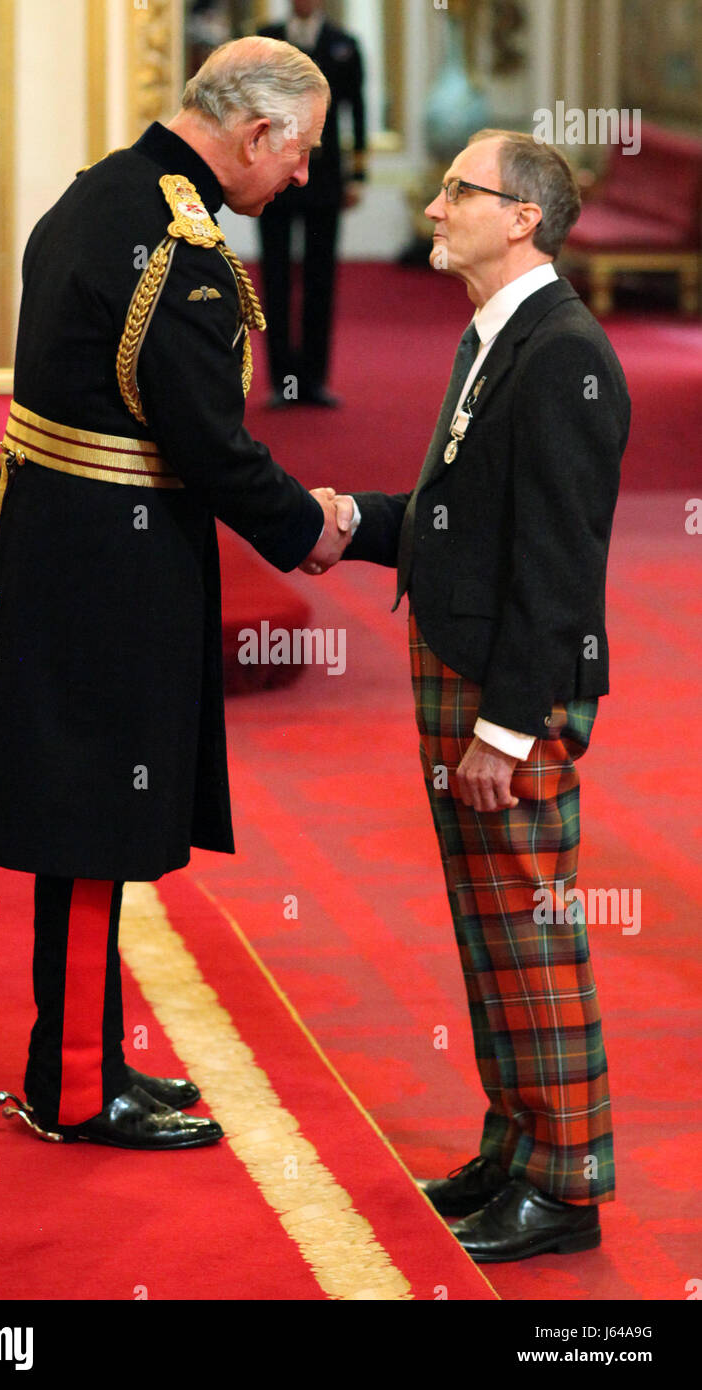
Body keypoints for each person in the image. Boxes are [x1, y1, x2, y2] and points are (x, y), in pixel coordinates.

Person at [0, 37, 354, 1151]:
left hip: (59, 545)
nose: (303, 177)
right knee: (93, 822)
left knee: (91, 816)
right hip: (109, 572)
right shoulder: (185, 249)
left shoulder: (101, 191)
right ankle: (74, 1085)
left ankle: (86, 1050)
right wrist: (309, 529)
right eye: (301, 152)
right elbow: (212, 448)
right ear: (258, 132)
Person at [311, 130, 630, 1262]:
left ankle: (566, 1181)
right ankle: (515, 1146)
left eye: (458, 190)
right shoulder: (497, 335)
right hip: (463, 665)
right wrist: (356, 519)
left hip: (507, 693)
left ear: (521, 218)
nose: (434, 206)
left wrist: (507, 725)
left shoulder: (562, 354)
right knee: (489, 931)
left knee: (534, 933)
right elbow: (461, 517)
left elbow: (557, 563)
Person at [258, 0, 366, 407]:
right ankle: (282, 382)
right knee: (277, 276)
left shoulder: (343, 44)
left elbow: (356, 108)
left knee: (321, 277)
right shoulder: (267, 41)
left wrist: (357, 174)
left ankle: (314, 381)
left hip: (324, 177)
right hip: (275, 173)